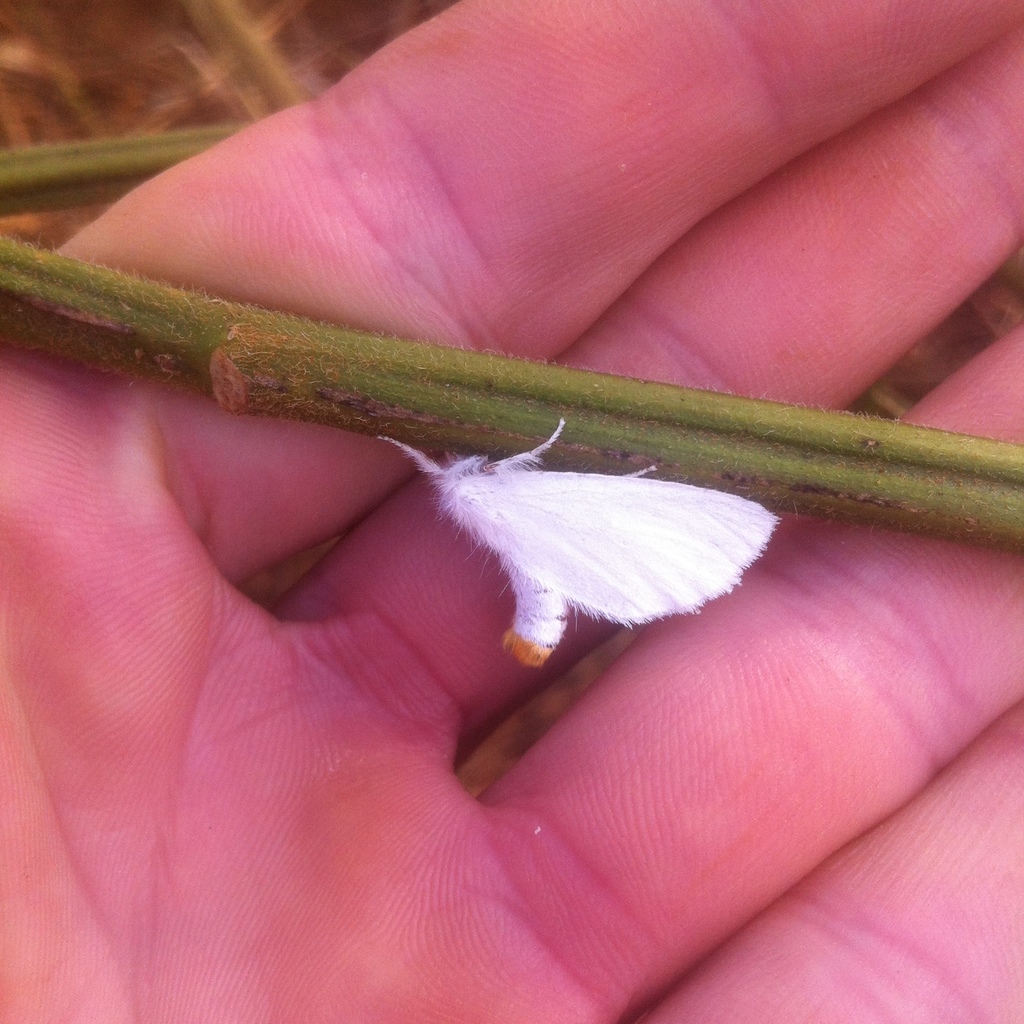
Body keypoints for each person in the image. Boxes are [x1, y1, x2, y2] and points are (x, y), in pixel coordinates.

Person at [5, 1, 1024, 1019]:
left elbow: (504, 467)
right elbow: (510, 466)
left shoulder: (483, 489)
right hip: (567, 530)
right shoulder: (487, 487)